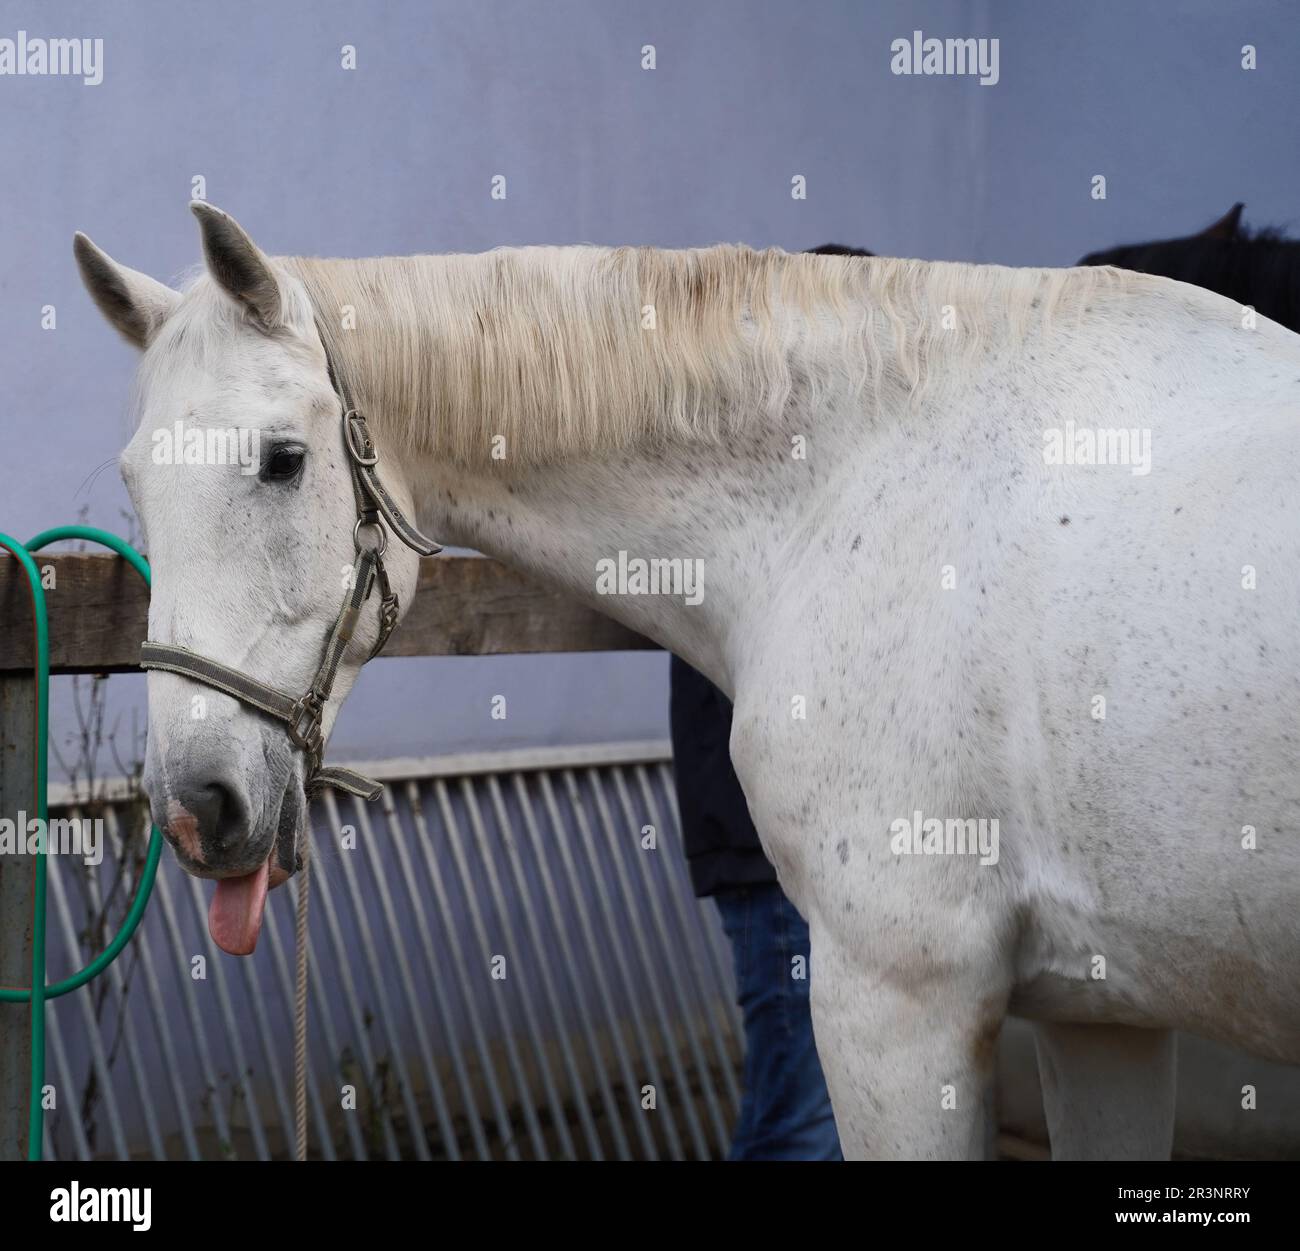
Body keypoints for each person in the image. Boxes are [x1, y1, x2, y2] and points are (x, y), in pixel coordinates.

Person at [669, 243, 872, 1161]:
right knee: (802, 1117)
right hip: (769, 843)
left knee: (825, 1105)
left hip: (800, 841)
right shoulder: (752, 472)